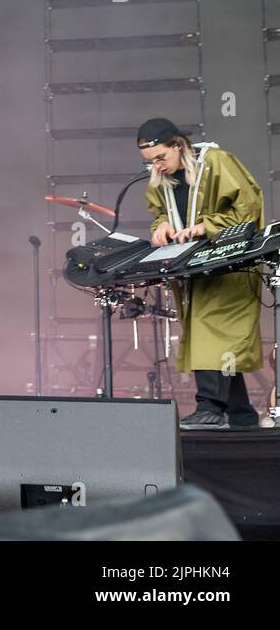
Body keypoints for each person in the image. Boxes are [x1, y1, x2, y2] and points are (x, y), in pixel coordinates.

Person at [137, 118, 263, 429]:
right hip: (196, 270)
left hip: (230, 266)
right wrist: (161, 227)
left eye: (160, 157)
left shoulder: (216, 162)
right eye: (150, 162)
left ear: (178, 145)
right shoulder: (161, 181)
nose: (157, 165)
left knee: (214, 334)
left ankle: (209, 408)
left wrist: (206, 227)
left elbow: (248, 207)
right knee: (216, 341)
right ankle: (242, 416)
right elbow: (161, 213)